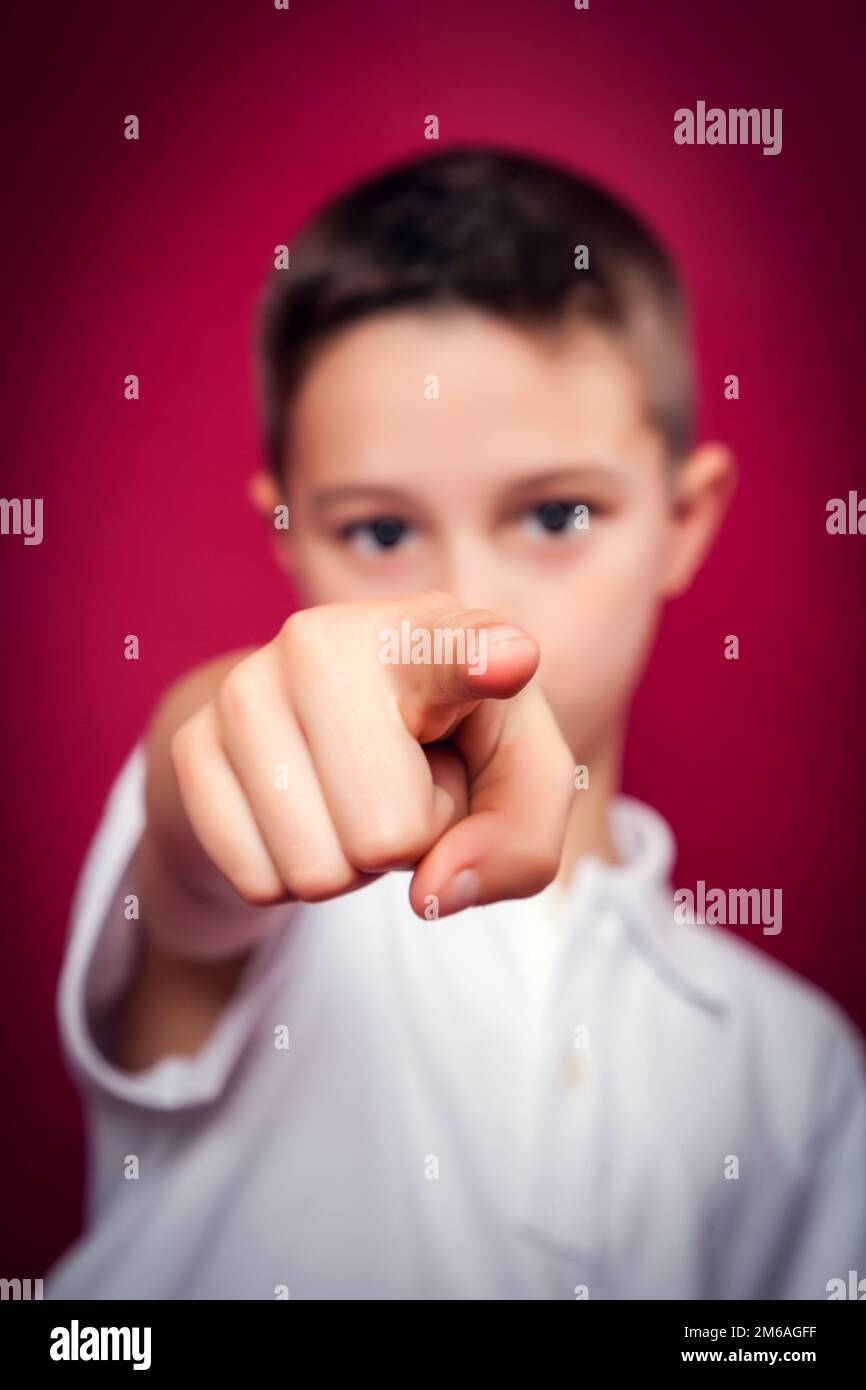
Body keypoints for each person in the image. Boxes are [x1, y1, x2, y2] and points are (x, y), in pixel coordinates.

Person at [46, 146, 866, 1300]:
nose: (461, 605)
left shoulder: (800, 1071)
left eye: (555, 511)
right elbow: (200, 825)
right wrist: (221, 736)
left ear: (682, 520)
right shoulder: (268, 889)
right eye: (379, 533)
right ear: (286, 535)